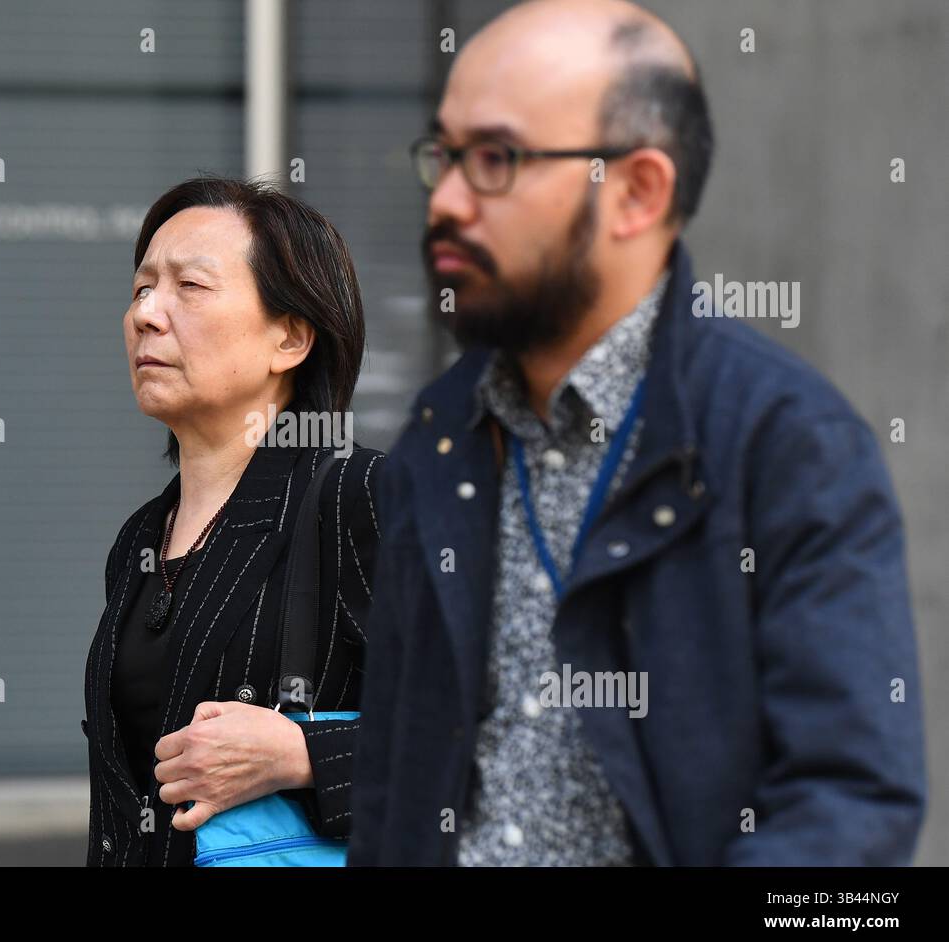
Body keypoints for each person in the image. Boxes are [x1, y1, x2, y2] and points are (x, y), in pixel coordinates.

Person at [348, 0, 925, 866]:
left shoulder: (787, 442)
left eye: (496, 160)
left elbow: (854, 811)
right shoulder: (439, 433)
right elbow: (392, 781)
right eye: (445, 155)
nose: (449, 200)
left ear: (637, 191)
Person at [82, 176, 384, 866]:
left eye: (190, 287)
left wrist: (306, 754)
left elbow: (498, 734)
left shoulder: (359, 496)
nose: (147, 314)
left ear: (292, 338)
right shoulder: (140, 539)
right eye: (140, 288)